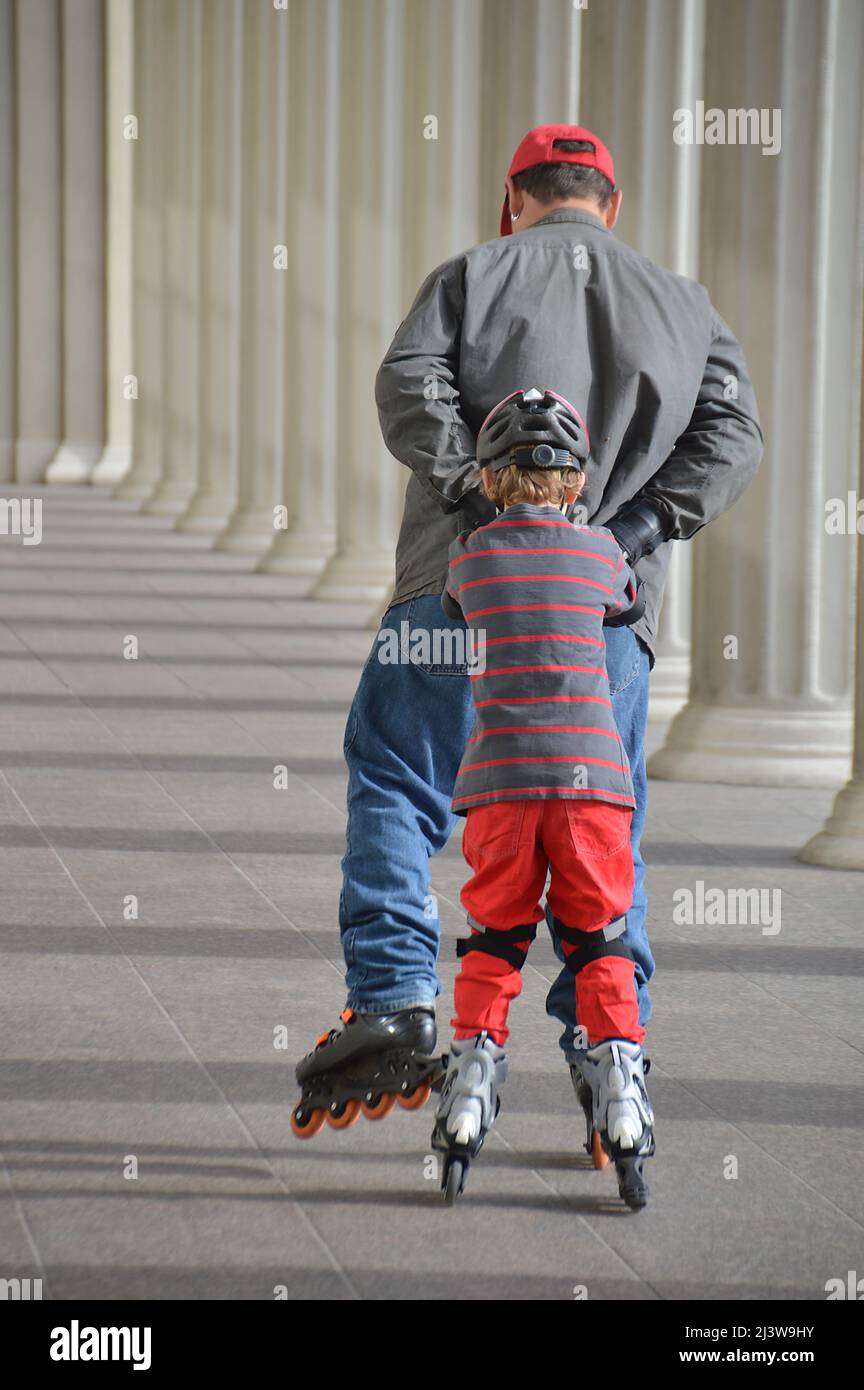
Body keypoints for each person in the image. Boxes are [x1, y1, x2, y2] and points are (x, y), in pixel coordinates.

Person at [290, 123, 762, 1142]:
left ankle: (392, 995)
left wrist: (476, 494)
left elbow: (406, 385)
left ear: (515, 200)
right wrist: (631, 530)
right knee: (606, 830)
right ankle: (605, 1052)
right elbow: (734, 435)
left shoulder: (470, 275)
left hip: (450, 592)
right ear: (611, 204)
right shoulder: (685, 306)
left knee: (398, 777)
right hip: (605, 616)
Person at [429, 388, 655, 1210]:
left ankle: (469, 1083)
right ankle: (621, 1088)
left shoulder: (471, 559)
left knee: (495, 938)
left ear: (490, 481)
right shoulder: (600, 555)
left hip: (498, 788)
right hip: (594, 788)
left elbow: (458, 606)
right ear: (575, 483)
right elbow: (626, 605)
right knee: (600, 940)